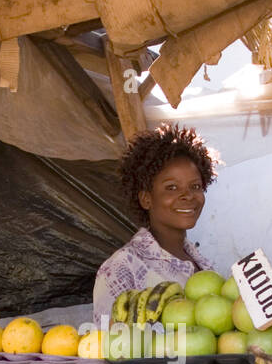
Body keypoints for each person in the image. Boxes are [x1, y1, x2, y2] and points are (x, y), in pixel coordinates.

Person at [92, 124, 220, 323]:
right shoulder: (122, 267)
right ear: (146, 199)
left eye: (195, 186)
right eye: (171, 187)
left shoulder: (202, 265)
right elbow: (110, 342)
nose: (187, 196)